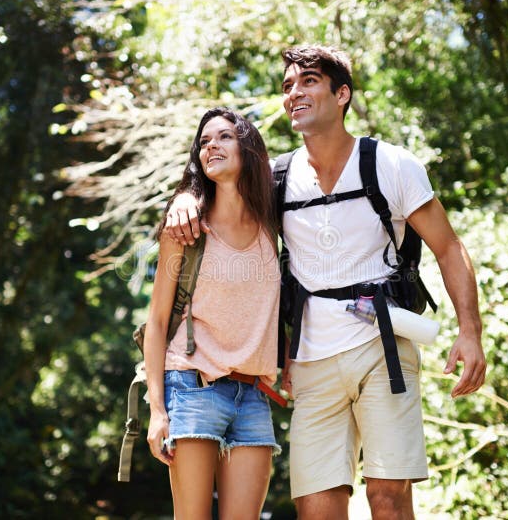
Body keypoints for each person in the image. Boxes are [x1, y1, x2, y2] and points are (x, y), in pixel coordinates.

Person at [165, 46, 486, 520]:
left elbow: (449, 247)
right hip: (311, 360)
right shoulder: (276, 177)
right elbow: (220, 183)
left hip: (383, 346)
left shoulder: (391, 165)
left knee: (388, 498)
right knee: (317, 509)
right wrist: (186, 197)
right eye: (287, 86)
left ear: (342, 94)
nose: (294, 92)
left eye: (309, 81)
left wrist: (470, 331)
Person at [143, 107, 283, 520]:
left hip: (254, 394)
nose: (211, 146)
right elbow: (157, 322)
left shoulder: (273, 221)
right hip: (192, 386)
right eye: (204, 142)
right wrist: (156, 410)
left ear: (248, 148)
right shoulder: (185, 230)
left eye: (224, 137)